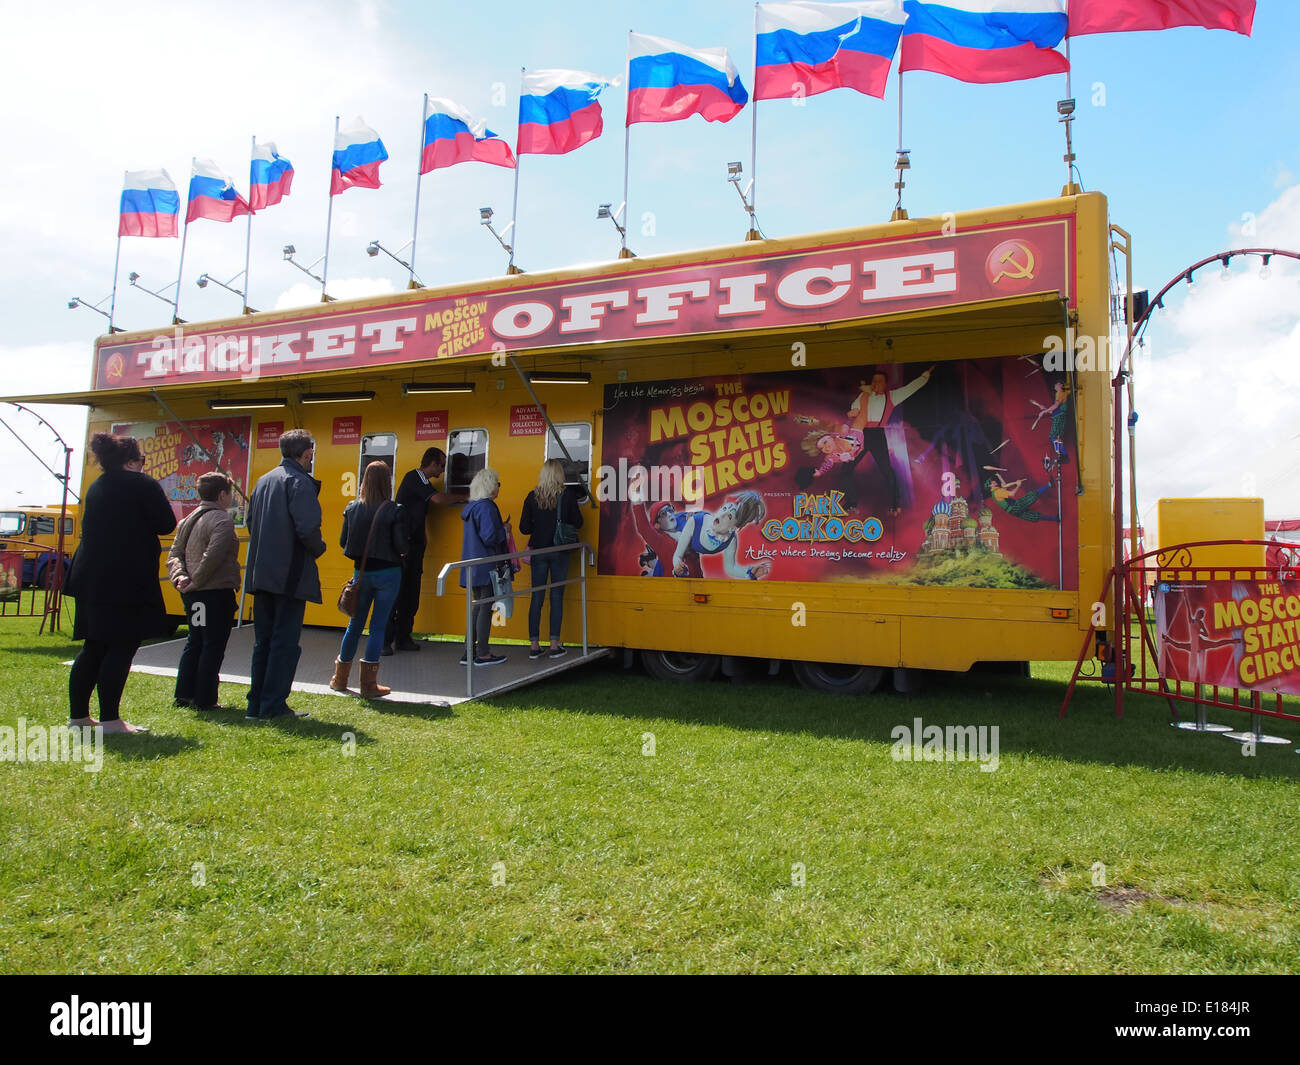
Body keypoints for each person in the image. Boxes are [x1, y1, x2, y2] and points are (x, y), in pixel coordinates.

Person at [66, 433, 177, 734]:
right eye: (142, 460)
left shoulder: (97, 485)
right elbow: (167, 524)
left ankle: (78, 718)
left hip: (90, 576)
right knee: (122, 645)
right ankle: (111, 719)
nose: (143, 466)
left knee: (94, 646)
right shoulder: (141, 484)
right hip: (126, 578)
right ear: (132, 461)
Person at [243, 429, 326, 720]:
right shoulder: (299, 482)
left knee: (263, 641)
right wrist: (319, 548)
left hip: (262, 572)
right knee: (284, 643)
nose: (312, 459)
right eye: (312, 454)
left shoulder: (263, 481)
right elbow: (307, 528)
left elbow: (252, 523)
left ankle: (257, 704)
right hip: (289, 573)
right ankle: (273, 705)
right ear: (305, 454)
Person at [332, 461, 407, 698]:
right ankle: (369, 685)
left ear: (364, 480)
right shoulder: (395, 510)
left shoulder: (352, 508)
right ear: (388, 482)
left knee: (354, 625)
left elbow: (344, 542)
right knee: (378, 626)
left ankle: (339, 679)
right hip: (388, 574)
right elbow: (401, 546)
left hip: (361, 574)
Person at [168, 472, 240, 711]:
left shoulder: (187, 520)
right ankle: (205, 698)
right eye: (230, 493)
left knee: (196, 639)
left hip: (193, 594)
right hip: (214, 593)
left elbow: (174, 554)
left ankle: (184, 693)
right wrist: (196, 581)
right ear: (222, 495)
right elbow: (213, 556)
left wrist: (180, 577)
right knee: (212, 645)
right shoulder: (222, 520)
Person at [384, 446, 465, 655]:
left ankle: (403, 637)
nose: (443, 471)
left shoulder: (422, 482)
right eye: (442, 465)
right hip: (404, 545)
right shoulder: (416, 477)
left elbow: (421, 512)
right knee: (399, 591)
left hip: (416, 543)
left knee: (411, 592)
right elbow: (437, 499)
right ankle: (386, 640)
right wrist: (463, 497)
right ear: (432, 463)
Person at [519, 459, 584, 659]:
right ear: (559, 475)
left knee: (537, 597)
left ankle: (534, 645)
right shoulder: (567, 496)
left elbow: (524, 528)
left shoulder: (532, 497)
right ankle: (554, 645)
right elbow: (579, 523)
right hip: (560, 552)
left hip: (538, 552)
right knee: (556, 597)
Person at [459, 467, 508, 667]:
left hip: (472, 565)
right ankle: (483, 653)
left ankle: (468, 652)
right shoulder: (487, 507)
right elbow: (489, 537)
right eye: (497, 483)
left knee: (477, 608)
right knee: (485, 609)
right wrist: (504, 531)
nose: (498, 486)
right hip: (487, 564)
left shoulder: (472, 508)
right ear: (490, 485)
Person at [671, 491, 772, 580]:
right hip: (672, 529)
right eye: (724, 508)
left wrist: (750, 573)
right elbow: (677, 555)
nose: (722, 514)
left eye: (729, 516)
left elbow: (730, 568)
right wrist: (677, 567)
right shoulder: (695, 521)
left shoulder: (730, 540)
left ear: (733, 528)